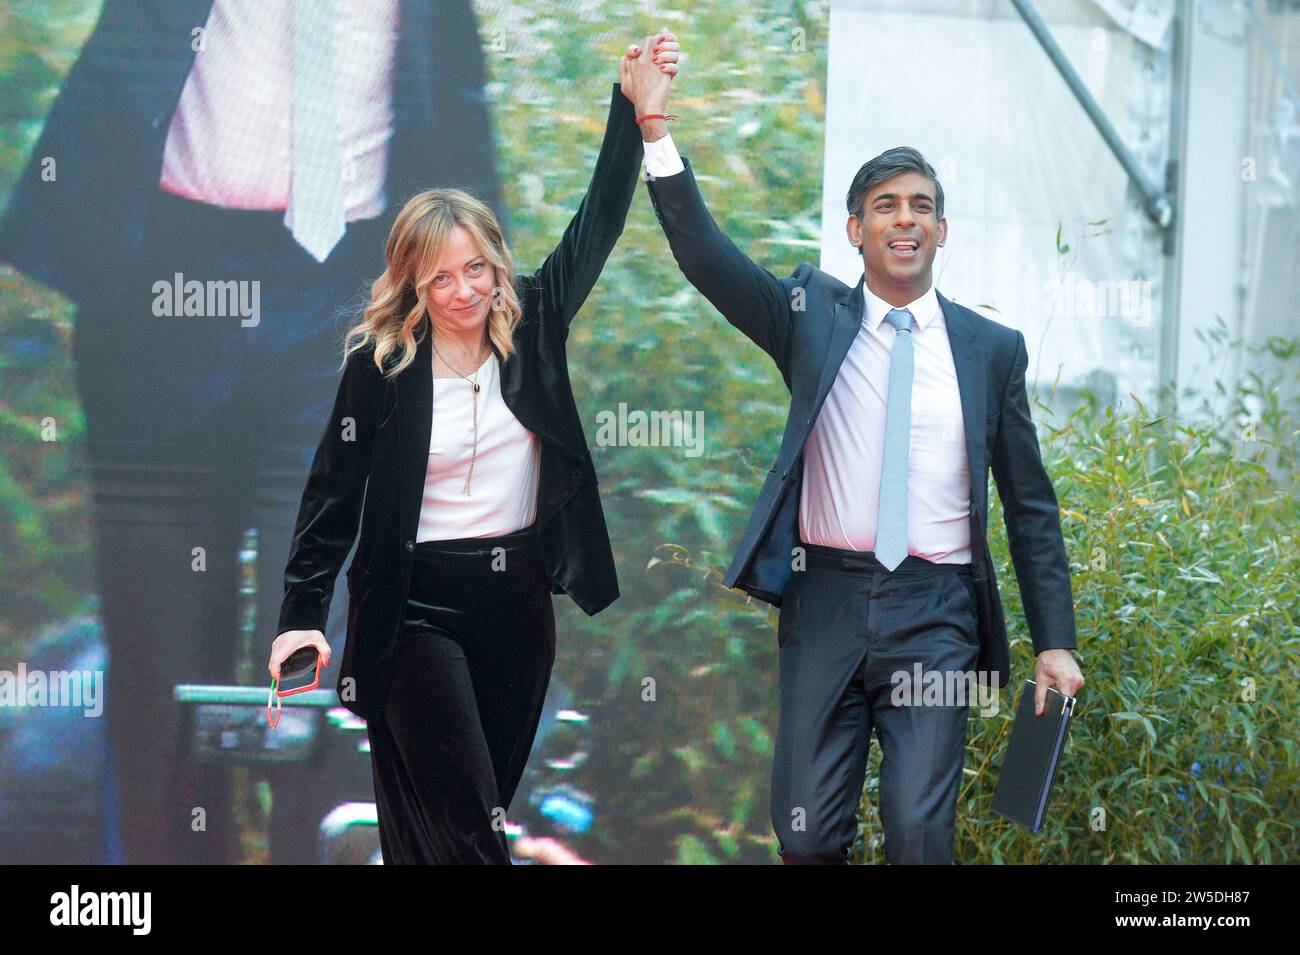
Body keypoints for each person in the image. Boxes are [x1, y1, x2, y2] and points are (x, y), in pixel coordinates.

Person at [0, 0, 498, 864]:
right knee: (159, 671)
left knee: (335, 660)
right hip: (160, 283)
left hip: (349, 299)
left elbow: (451, 92)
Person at [266, 32, 682, 865]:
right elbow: (331, 496)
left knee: (451, 822)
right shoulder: (380, 366)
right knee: (467, 830)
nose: (464, 291)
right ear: (413, 284)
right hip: (412, 609)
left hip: (516, 608)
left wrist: (634, 112)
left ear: (498, 265)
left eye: (477, 269)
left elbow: (596, 221)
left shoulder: (533, 326)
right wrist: (300, 616)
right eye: (441, 277)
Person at [640, 102, 1086, 861]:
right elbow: (707, 258)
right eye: (885, 206)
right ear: (856, 229)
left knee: (917, 831)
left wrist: (1056, 642)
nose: (904, 219)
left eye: (922, 206)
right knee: (807, 839)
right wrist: (655, 132)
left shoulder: (992, 349)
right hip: (827, 603)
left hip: (937, 613)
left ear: (942, 230)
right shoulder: (811, 314)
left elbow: (1030, 506)